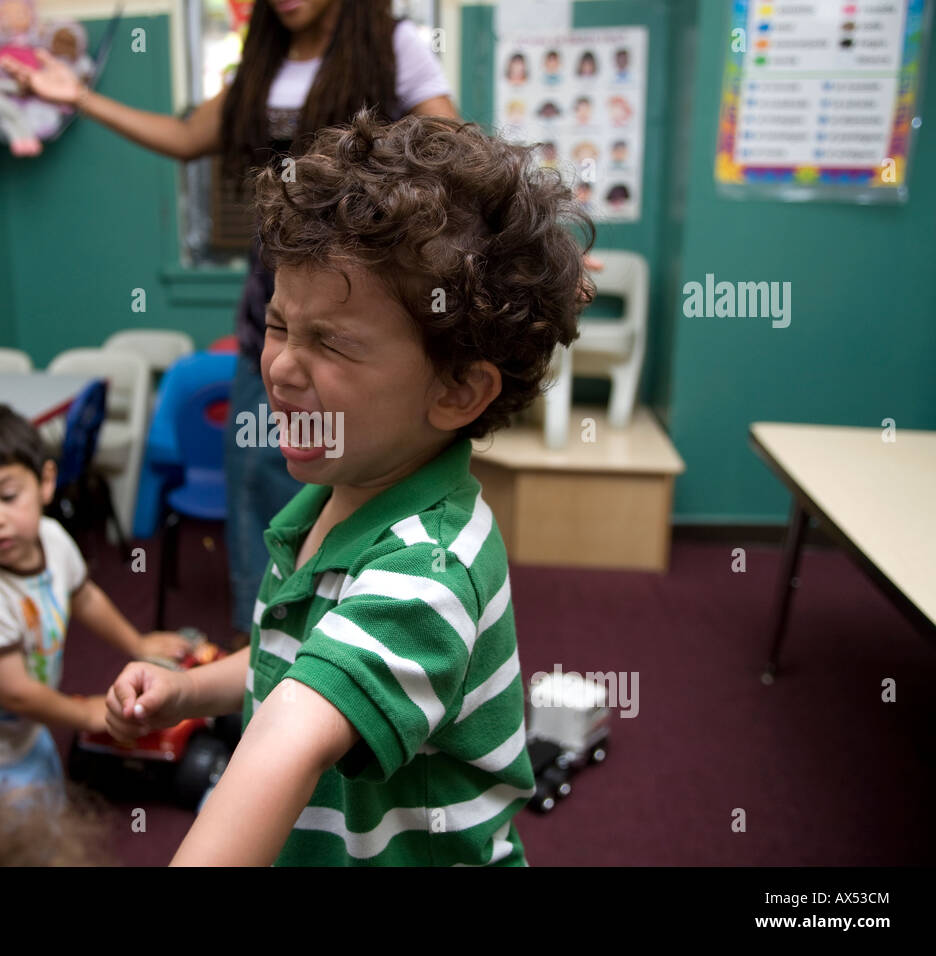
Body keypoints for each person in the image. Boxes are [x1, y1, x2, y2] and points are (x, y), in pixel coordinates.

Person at [103, 109, 595, 866]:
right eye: (277, 326)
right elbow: (294, 657)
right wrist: (189, 692)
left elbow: (285, 745)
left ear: (459, 391)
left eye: (330, 341)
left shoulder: (426, 575)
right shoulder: (330, 501)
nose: (282, 367)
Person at [2, 0, 459, 647]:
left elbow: (458, 157)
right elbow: (187, 138)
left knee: (362, 467)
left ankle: (352, 641)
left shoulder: (394, 47)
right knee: (257, 469)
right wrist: (78, 96)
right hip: (273, 296)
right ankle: (265, 642)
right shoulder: (263, 61)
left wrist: (528, 243)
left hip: (362, 303)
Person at [0, 403, 190, 807]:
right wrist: (87, 714)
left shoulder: (52, 538)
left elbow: (84, 596)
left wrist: (137, 644)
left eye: (7, 495)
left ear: (45, 482)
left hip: (17, 727)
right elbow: (14, 693)